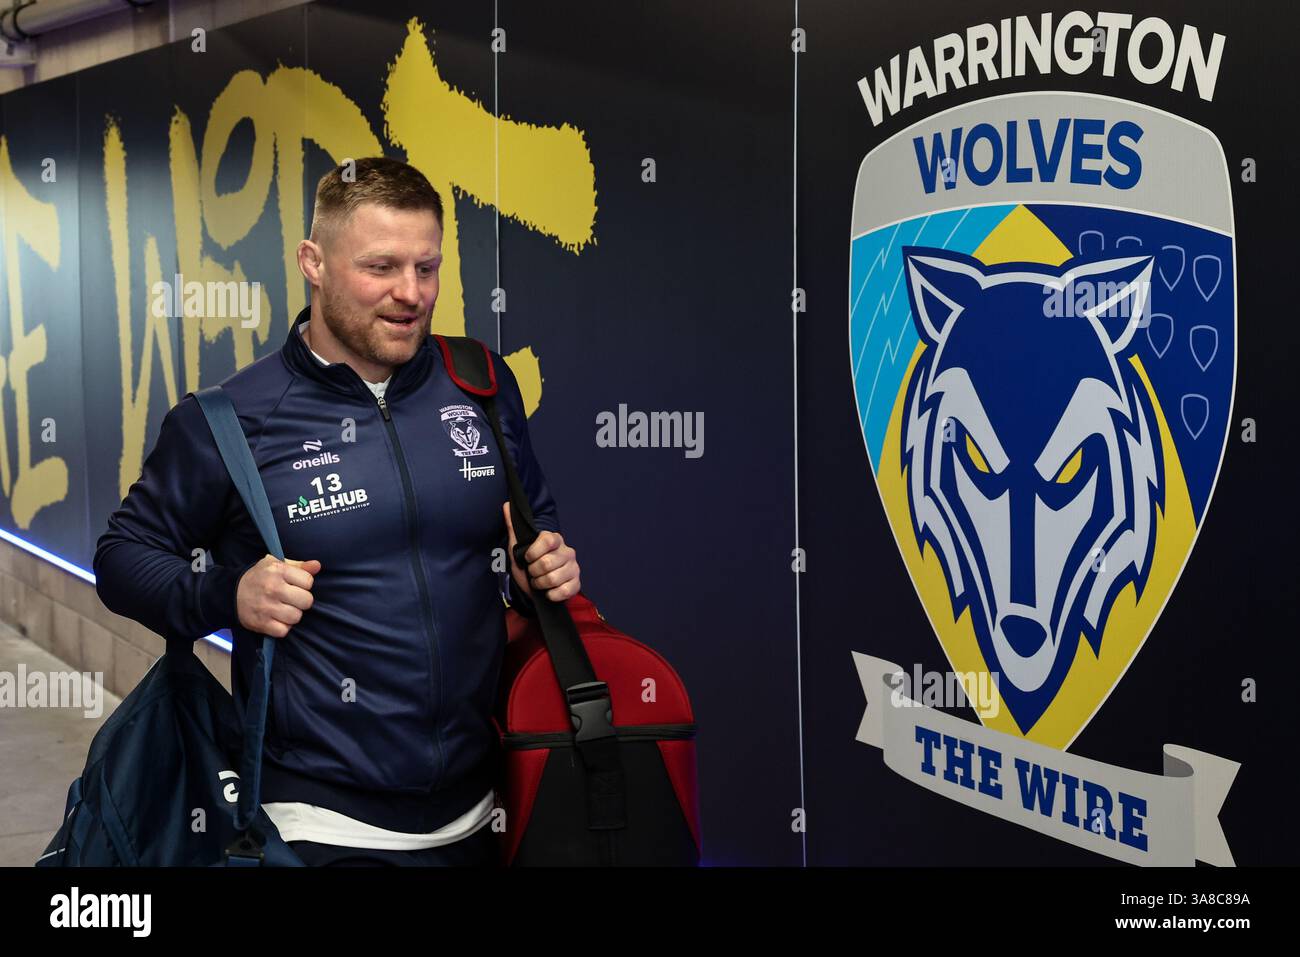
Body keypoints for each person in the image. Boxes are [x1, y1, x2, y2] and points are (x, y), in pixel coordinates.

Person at [93, 156, 580, 867]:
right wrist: (227, 593)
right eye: (380, 268)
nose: (410, 293)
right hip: (321, 823)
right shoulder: (229, 421)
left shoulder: (478, 382)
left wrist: (543, 574)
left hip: (484, 812)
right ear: (313, 263)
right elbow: (120, 557)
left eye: (427, 267)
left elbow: (533, 524)